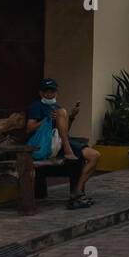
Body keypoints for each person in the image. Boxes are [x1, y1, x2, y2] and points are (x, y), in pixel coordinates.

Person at [25, 79, 101, 209]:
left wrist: (71, 116)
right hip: (45, 145)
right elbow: (29, 128)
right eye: (46, 92)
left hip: (61, 141)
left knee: (94, 156)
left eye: (52, 91)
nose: (49, 94)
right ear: (41, 93)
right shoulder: (36, 106)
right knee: (62, 113)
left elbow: (65, 131)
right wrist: (47, 119)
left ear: (56, 92)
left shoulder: (57, 107)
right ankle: (68, 150)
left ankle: (77, 192)